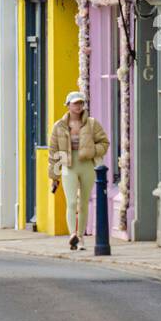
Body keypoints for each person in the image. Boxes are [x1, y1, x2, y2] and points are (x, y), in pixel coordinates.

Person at [49, 91, 109, 250]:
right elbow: (54, 152)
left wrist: (92, 150)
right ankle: (72, 235)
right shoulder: (59, 126)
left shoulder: (91, 123)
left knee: (83, 202)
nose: (78, 106)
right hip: (68, 165)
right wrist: (54, 176)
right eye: (75, 103)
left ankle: (81, 237)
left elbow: (104, 143)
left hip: (87, 164)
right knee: (72, 202)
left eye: (81, 103)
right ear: (67, 105)